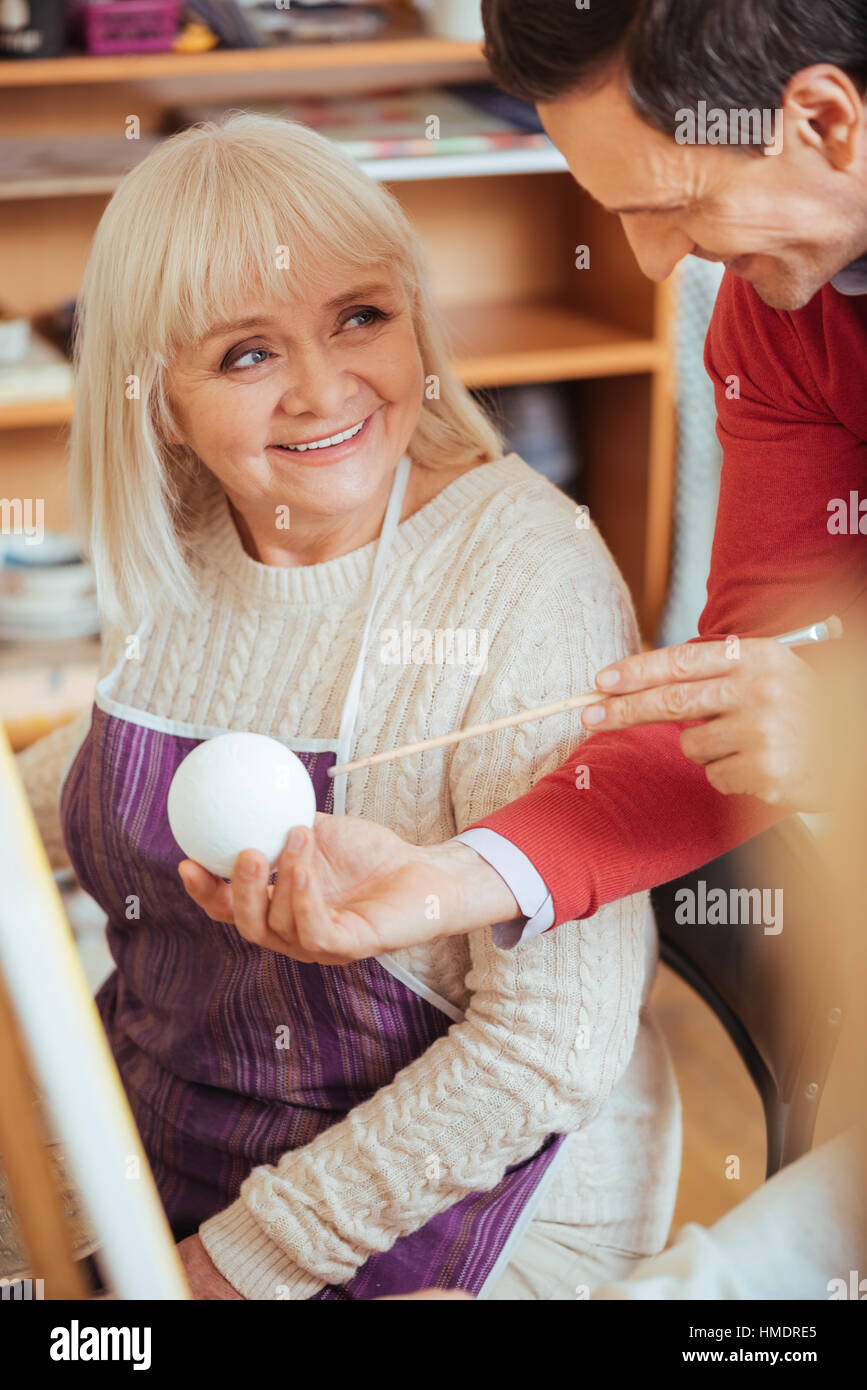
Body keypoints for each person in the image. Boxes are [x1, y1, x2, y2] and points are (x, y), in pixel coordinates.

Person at [14, 114, 681, 1300]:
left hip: (463, 1194)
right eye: (246, 355)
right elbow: (117, 767)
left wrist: (228, 1271)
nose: (326, 389)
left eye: (360, 317)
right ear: (158, 402)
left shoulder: (525, 576)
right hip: (184, 1124)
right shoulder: (195, 533)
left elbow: (547, 1051)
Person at [195, 0, 867, 967]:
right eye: (622, 214)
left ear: (823, 122)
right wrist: (447, 881)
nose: (652, 259)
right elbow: (735, 700)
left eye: (675, 205)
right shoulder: (782, 316)